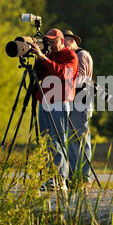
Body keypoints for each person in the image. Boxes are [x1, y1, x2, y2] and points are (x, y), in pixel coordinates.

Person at [31, 28, 79, 191]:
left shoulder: (70, 55)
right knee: (45, 140)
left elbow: (62, 73)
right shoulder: (48, 55)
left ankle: (60, 179)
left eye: (53, 41)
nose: (50, 44)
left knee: (57, 140)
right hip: (44, 100)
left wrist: (43, 57)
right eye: (48, 41)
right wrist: (38, 57)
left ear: (61, 40)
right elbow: (39, 73)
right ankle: (48, 177)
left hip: (60, 100)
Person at [63, 29, 94, 185]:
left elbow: (80, 80)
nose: (62, 44)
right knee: (73, 141)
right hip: (76, 102)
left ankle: (83, 177)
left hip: (80, 102)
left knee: (80, 140)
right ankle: (75, 176)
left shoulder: (81, 55)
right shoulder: (74, 55)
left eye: (65, 40)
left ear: (72, 40)